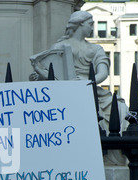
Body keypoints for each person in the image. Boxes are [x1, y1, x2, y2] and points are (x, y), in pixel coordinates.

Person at [30, 11, 128, 165]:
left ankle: (108, 158)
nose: (92, 27)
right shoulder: (59, 46)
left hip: (91, 90)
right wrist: (40, 74)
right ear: (80, 24)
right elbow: (54, 75)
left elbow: (102, 74)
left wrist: (85, 84)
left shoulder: (96, 49)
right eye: (90, 24)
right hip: (66, 91)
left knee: (121, 109)